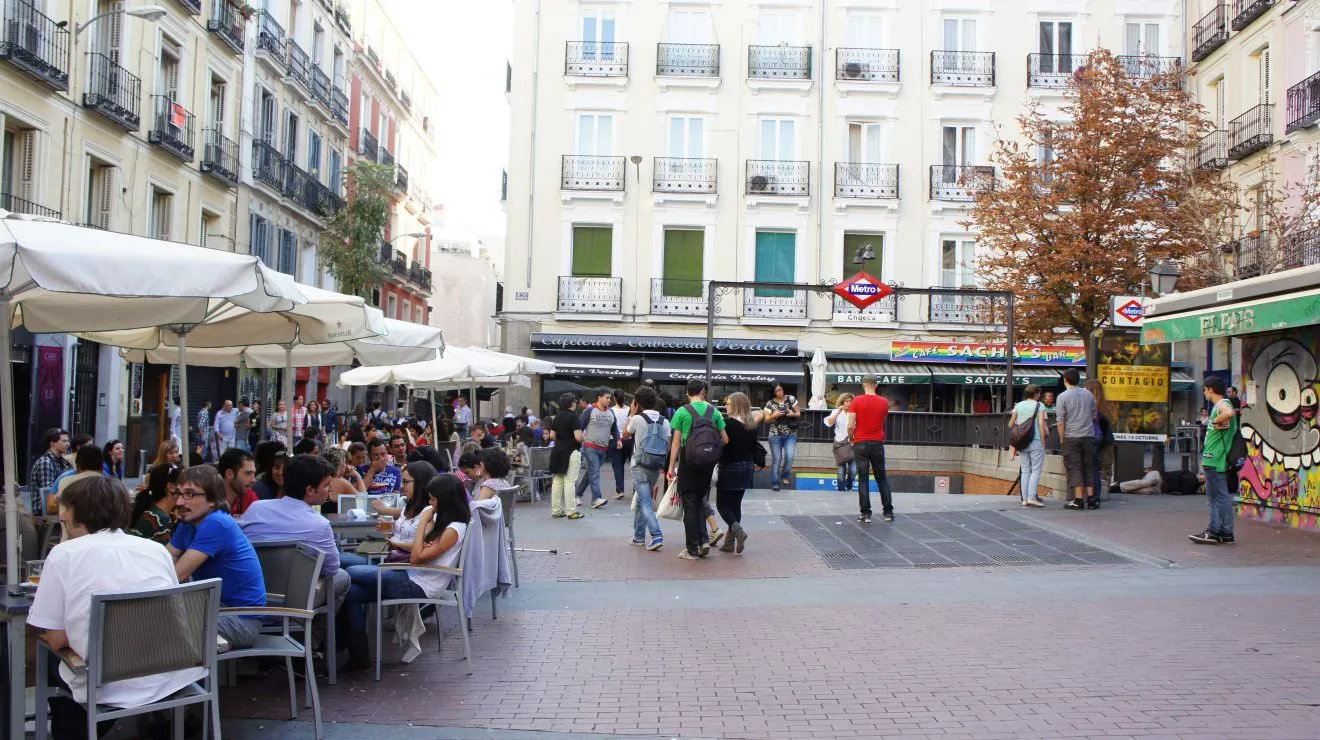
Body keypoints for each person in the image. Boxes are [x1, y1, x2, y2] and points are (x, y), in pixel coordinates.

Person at [28, 477, 207, 740]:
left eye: (65, 508)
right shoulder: (155, 551)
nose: (62, 515)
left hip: (107, 684)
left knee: (49, 660)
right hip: (168, 673)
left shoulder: (63, 554)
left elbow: (56, 640)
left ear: (78, 511)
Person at [340, 474, 470, 671]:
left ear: (445, 501)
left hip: (419, 584)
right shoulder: (444, 523)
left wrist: (423, 522)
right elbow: (421, 550)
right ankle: (359, 656)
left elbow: (417, 557)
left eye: (433, 499)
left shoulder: (453, 529)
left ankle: (335, 638)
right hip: (411, 575)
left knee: (351, 570)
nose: (430, 503)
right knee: (351, 592)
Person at [167, 465, 267, 648]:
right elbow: (166, 559)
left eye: (189, 494)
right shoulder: (189, 522)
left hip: (241, 620)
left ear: (212, 500)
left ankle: (196, 675)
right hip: (214, 608)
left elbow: (176, 575)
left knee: (162, 625)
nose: (180, 502)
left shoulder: (216, 523)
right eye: (179, 494)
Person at [240, 454, 349, 613]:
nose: (331, 489)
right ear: (310, 490)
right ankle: (314, 635)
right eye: (327, 485)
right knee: (342, 577)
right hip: (295, 604)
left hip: (250, 597)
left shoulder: (256, 508)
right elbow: (331, 569)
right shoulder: (319, 525)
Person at [667, 379, 728, 560]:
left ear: (687, 393)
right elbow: (725, 440)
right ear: (704, 391)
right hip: (707, 463)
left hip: (689, 462)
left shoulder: (682, 412)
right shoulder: (714, 411)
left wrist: (671, 467)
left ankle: (692, 549)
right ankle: (703, 542)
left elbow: (676, 444)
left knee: (690, 506)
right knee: (701, 500)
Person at [1191, 376, 1237, 545]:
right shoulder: (1221, 406)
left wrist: (1215, 420)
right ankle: (1222, 532)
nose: (1204, 392)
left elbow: (1229, 413)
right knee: (1217, 497)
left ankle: (1217, 531)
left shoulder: (1221, 405)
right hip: (1215, 458)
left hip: (1215, 459)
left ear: (1210, 389)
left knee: (1217, 498)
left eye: (1205, 389)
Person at [622, 386, 668, 551]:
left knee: (645, 502)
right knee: (643, 500)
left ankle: (656, 535)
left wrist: (632, 414)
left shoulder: (637, 419)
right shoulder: (664, 420)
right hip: (656, 465)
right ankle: (638, 536)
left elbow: (625, 435)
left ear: (637, 402)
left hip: (640, 464)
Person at [716, 392, 762, 554]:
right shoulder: (751, 425)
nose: (726, 407)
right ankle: (729, 543)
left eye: (728, 404)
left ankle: (738, 530)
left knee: (721, 504)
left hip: (730, 466)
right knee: (736, 505)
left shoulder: (728, 424)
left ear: (735, 405)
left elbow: (723, 445)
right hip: (747, 468)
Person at [849, 376, 894, 523]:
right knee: (881, 477)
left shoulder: (856, 401)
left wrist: (851, 438)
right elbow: (882, 421)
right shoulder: (884, 402)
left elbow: (850, 425)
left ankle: (866, 513)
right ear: (876, 385)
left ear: (863, 384)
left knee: (863, 478)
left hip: (860, 441)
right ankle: (888, 512)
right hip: (877, 442)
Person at [1055, 368, 1098, 510]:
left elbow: (1060, 421)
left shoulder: (1062, 397)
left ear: (1065, 380)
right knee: (1089, 466)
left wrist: (1062, 439)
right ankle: (1092, 499)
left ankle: (1078, 499)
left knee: (1075, 467)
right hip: (1088, 435)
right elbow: (1094, 415)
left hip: (1072, 436)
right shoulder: (1089, 395)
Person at [574, 388, 620, 510]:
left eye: (610, 398)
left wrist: (618, 439)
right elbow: (579, 426)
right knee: (594, 472)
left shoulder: (611, 412)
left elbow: (614, 428)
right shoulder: (590, 411)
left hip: (603, 448)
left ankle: (577, 494)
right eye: (607, 397)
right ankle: (596, 499)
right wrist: (579, 441)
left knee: (591, 473)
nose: (609, 400)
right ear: (599, 398)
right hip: (590, 447)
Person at [1008, 384, 1049, 508]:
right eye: (1038, 394)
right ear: (1036, 394)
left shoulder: (1019, 406)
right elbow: (1041, 425)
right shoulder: (1039, 406)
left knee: (1025, 470)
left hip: (1022, 442)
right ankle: (1032, 497)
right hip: (1035, 440)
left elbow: (1010, 424)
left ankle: (1024, 499)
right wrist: (1043, 442)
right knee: (1035, 470)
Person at [547, 392, 585, 520]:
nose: (576, 403)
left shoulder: (557, 417)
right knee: (570, 481)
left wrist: (561, 438)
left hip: (558, 450)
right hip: (571, 451)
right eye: (574, 401)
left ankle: (556, 510)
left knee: (557, 480)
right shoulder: (573, 417)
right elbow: (578, 437)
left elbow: (552, 435)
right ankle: (571, 511)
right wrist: (583, 438)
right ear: (571, 404)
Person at [763, 384, 800, 491]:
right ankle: (775, 482)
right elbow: (766, 420)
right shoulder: (770, 403)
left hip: (790, 434)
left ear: (783, 390)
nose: (779, 392)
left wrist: (790, 413)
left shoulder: (791, 399)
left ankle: (784, 475)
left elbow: (798, 413)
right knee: (777, 459)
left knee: (790, 457)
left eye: (780, 390)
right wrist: (775, 415)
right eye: (776, 391)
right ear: (773, 392)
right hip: (775, 435)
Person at [1086, 378, 1117, 508]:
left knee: (1096, 467)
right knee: (1105, 467)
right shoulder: (1106, 406)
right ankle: (1104, 491)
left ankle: (1098, 493)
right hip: (1106, 439)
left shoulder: (1091, 405)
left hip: (1097, 439)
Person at [131, 463, 180, 544]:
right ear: (171, 487)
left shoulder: (164, 514)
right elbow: (166, 555)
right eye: (183, 483)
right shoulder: (159, 519)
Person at [825, 394, 855, 493]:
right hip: (840, 444)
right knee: (841, 471)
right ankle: (841, 490)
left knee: (853, 470)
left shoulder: (855, 413)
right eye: (846, 401)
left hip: (853, 443)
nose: (848, 403)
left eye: (850, 401)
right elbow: (829, 423)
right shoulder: (836, 412)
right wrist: (837, 411)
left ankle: (849, 486)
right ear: (842, 402)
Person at [216, 447, 259, 516]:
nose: (253, 480)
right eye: (248, 473)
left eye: (254, 473)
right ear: (229, 474)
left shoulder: (250, 496)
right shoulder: (207, 499)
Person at [607, 389, 633, 501]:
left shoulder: (611, 411)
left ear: (614, 398)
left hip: (615, 440)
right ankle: (636, 490)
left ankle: (620, 490)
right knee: (634, 466)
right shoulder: (630, 410)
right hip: (629, 440)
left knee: (618, 467)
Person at [30, 427, 73, 492]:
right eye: (64, 441)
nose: (68, 444)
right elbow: (47, 490)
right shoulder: (45, 462)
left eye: (68, 441)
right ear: (52, 443)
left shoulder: (63, 461)